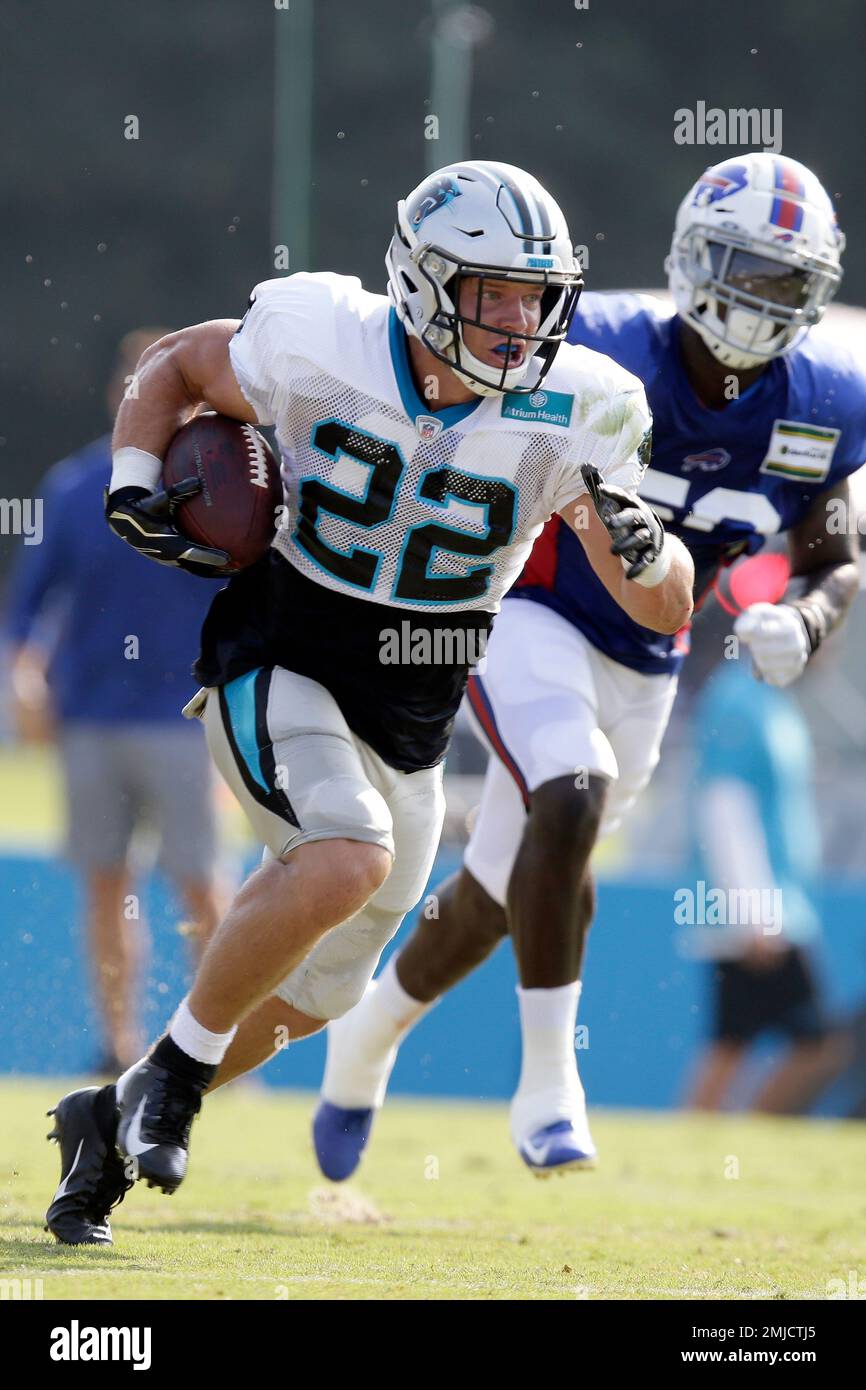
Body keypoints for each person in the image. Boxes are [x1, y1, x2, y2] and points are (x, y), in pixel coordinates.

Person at [42, 159, 694, 1244]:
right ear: (422, 279)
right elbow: (173, 366)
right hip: (281, 652)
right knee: (346, 855)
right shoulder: (322, 339)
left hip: (414, 706)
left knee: (311, 998)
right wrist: (127, 478)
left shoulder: (579, 403)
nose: (513, 317)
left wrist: (653, 553)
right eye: (488, 290)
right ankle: (167, 1082)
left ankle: (112, 1114)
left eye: (532, 294)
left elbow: (659, 601)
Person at [308, 152, 865, 1182]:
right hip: (525, 611)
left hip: (647, 659)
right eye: (741, 267)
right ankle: (549, 1088)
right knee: (571, 789)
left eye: (784, 279)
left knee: (500, 885)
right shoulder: (594, 340)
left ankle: (368, 1034)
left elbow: (835, 556)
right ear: (692, 260)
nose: (757, 299)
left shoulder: (828, 396)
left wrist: (807, 616)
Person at [7, 329, 223, 1074]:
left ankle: (218, 1048)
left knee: (201, 881)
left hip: (188, 720)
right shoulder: (73, 488)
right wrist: (25, 674)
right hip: (91, 719)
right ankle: (119, 1043)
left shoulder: (220, 487)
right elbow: (28, 604)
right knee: (107, 884)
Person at [685, 650, 842, 1114]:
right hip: (760, 912)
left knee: (733, 1042)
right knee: (813, 1044)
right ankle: (736, 1142)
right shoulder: (739, 698)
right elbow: (724, 806)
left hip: (777, 907)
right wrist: (752, 914)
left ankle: (719, 1146)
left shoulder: (770, 700)